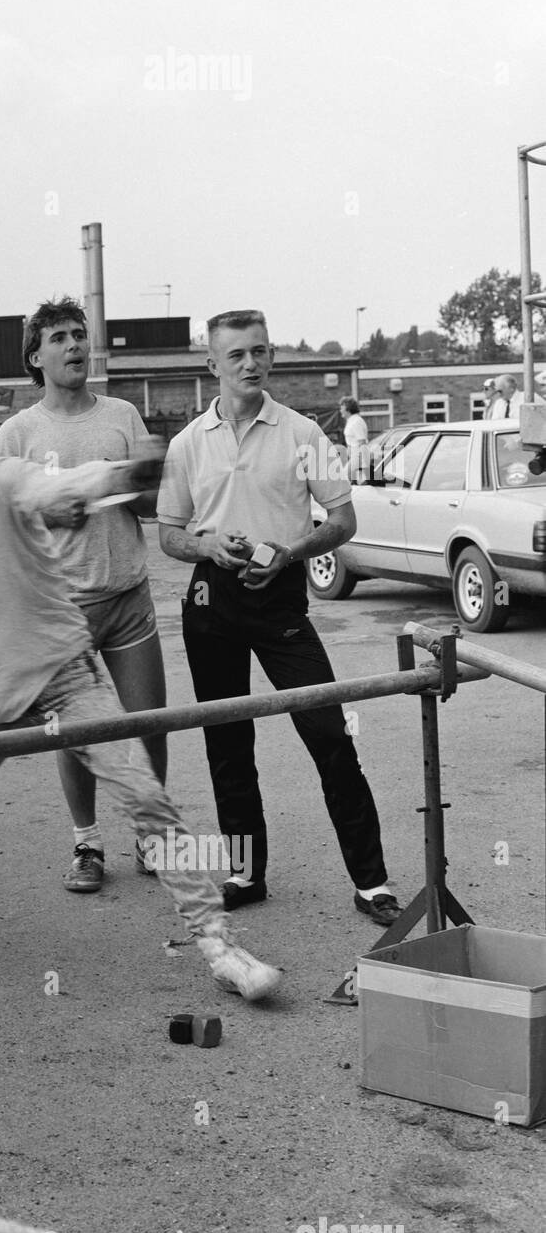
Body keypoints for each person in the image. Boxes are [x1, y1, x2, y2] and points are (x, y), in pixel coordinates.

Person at [0, 357, 281, 1002]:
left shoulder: (1, 479)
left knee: (147, 797)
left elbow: (59, 486)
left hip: (63, 677)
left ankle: (219, 944)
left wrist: (126, 474)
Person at [156, 309, 403, 927]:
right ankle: (246, 873)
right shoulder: (188, 443)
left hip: (279, 593)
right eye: (236, 354)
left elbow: (344, 522)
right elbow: (168, 533)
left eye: (260, 352)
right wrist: (207, 546)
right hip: (212, 600)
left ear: (271, 358)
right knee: (227, 744)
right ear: (211, 365)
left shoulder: (302, 434)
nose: (250, 364)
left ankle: (371, 883)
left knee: (328, 735)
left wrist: (290, 552)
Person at [0, 296, 167, 894]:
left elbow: (146, 506)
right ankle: (87, 844)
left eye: (79, 335)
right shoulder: (17, 432)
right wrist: (48, 514)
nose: (74, 346)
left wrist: (148, 475)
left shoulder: (121, 414)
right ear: (35, 356)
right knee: (75, 733)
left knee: (150, 723)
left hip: (128, 597)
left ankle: (151, 837)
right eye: (60, 338)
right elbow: (0, 518)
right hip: (62, 607)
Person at [338, 396, 370, 481]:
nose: (340, 410)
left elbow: (362, 443)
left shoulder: (356, 421)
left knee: (343, 478)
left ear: (348, 409)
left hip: (358, 457)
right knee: (349, 481)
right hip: (354, 457)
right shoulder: (351, 421)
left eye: (342, 408)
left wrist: (365, 466)